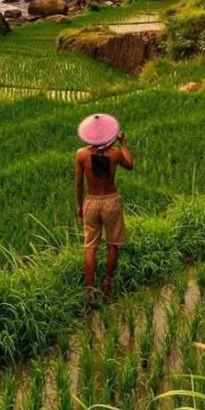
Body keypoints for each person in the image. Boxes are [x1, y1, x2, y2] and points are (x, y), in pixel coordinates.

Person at [75, 112, 133, 301]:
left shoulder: (81, 154)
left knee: (90, 247)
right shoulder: (114, 153)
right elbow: (130, 164)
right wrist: (123, 142)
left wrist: (80, 205)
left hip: (91, 201)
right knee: (112, 245)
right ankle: (107, 284)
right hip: (111, 201)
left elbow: (78, 183)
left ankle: (90, 290)